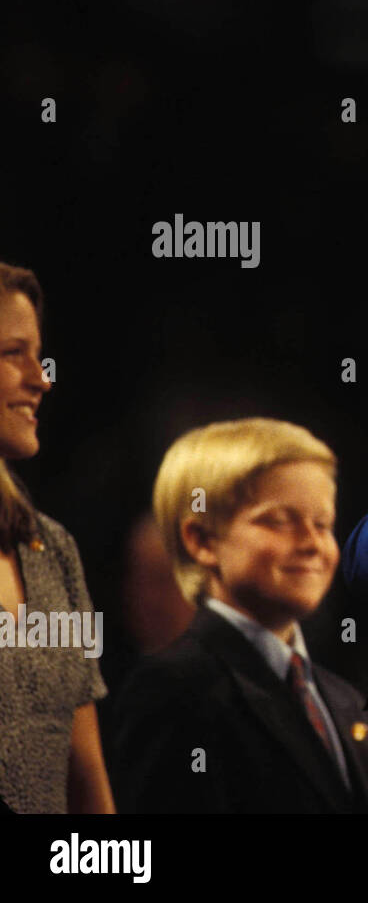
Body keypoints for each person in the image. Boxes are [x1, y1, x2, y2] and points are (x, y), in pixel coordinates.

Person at [110, 418, 368, 813]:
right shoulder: (173, 690)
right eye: (278, 521)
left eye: (323, 524)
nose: (311, 543)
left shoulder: (345, 702)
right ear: (202, 541)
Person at [0, 262, 116, 814]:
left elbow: (86, 777)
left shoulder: (55, 553)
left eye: (37, 353)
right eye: (10, 353)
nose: (40, 378)